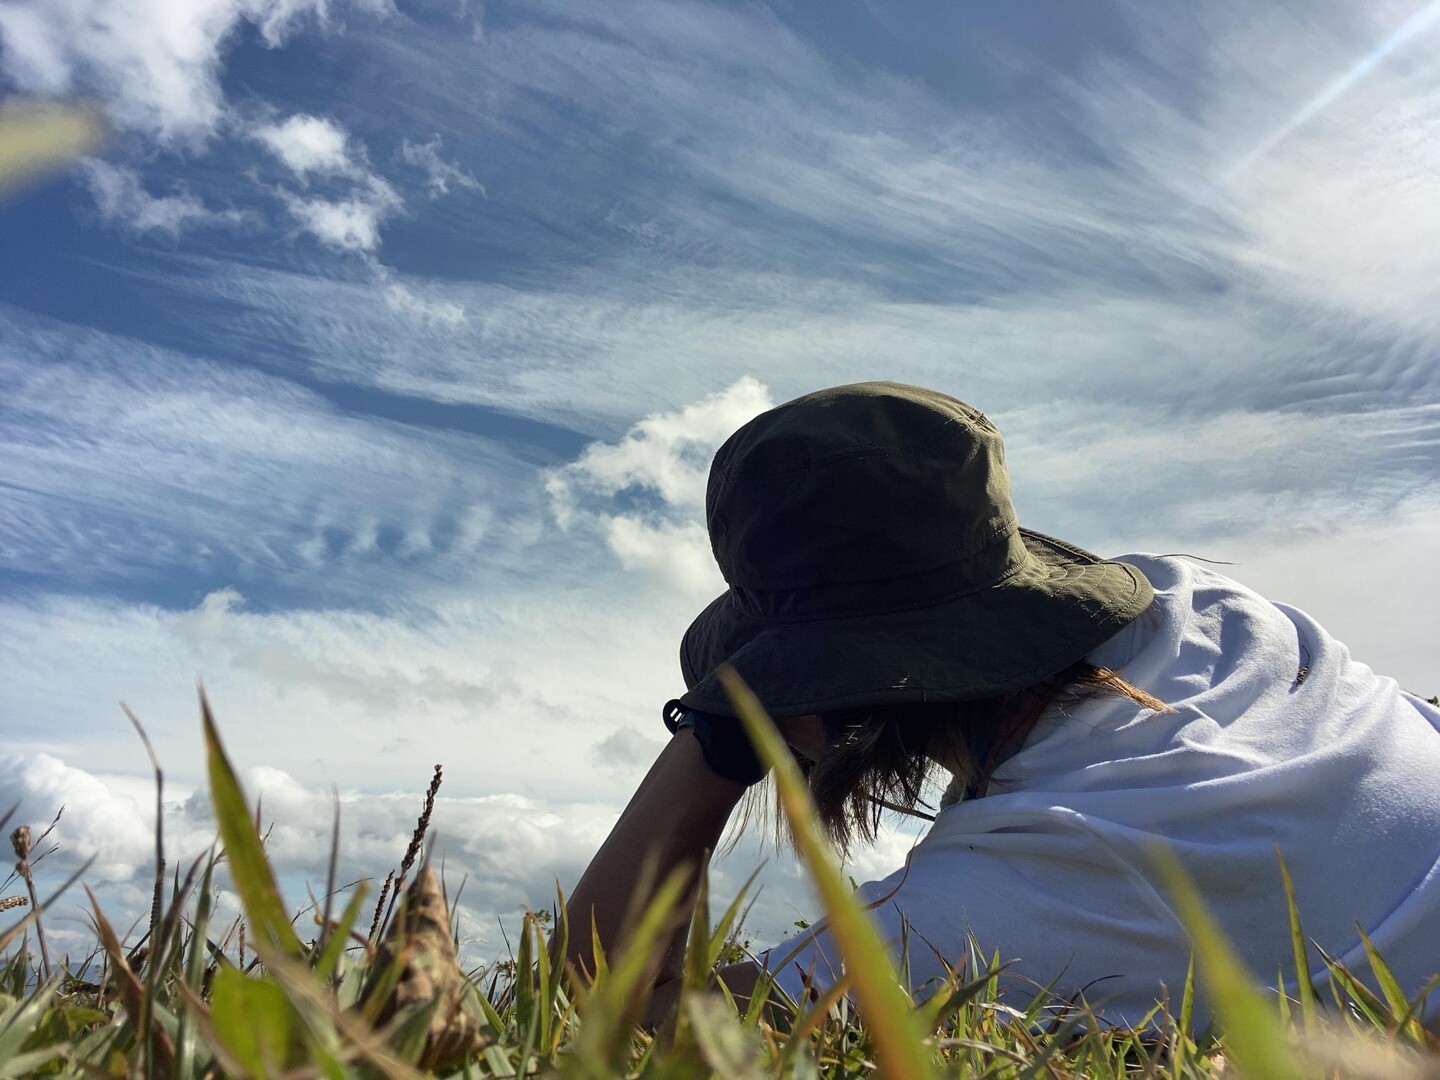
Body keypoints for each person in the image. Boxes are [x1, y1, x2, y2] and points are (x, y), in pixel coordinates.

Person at [559, 381, 1440, 1029]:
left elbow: (604, 1013)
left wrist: (717, 739)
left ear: (808, 693)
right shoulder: (1205, 605)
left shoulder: (1031, 885)